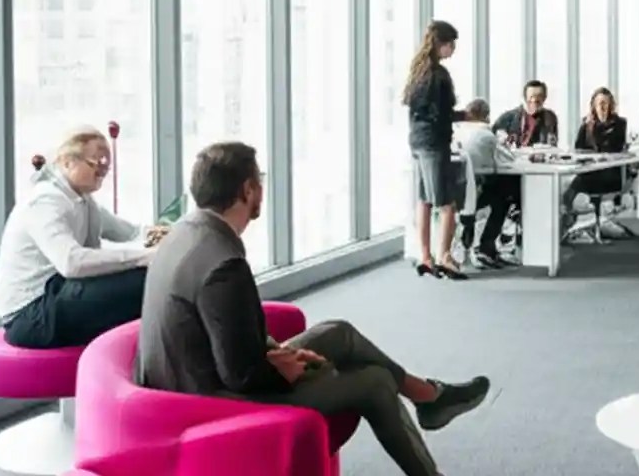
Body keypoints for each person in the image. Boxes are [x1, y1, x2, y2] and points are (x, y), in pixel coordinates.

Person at [136, 142, 490, 476]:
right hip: (211, 402)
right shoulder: (223, 264)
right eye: (259, 182)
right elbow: (239, 375)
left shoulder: (186, 232)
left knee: (339, 333)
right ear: (247, 190)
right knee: (375, 383)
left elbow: (222, 328)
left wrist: (274, 351)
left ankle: (427, 395)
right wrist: (280, 368)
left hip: (191, 378)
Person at [0, 126, 168, 349]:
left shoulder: (82, 200)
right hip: (30, 314)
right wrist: (145, 257)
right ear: (67, 162)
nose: (103, 170)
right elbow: (71, 262)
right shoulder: (46, 201)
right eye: (97, 162)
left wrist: (166, 236)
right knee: (148, 279)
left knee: (151, 276)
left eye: (107, 164)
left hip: (57, 293)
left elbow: (130, 232)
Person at [404, 20, 468, 280]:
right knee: (447, 203)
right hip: (434, 143)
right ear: (441, 44)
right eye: (451, 43)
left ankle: (426, 256)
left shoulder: (417, 70)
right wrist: (466, 115)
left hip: (417, 142)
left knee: (424, 200)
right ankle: (444, 256)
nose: (453, 48)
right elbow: (441, 115)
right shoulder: (438, 75)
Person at [455, 99, 519, 268]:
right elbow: (507, 159)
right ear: (486, 116)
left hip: (454, 192)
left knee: (501, 190)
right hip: (474, 192)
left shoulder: (457, 132)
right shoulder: (486, 135)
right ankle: (487, 246)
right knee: (505, 196)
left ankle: (480, 246)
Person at [563, 88, 630, 214]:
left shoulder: (620, 123)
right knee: (569, 187)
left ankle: (576, 214)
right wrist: (588, 127)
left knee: (577, 184)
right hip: (591, 169)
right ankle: (572, 215)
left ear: (611, 105)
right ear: (594, 105)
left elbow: (616, 147)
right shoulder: (587, 123)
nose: (603, 107)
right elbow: (578, 148)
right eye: (600, 103)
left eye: (606, 103)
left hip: (610, 171)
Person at [492, 80, 560, 148]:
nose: (534, 100)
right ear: (525, 97)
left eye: (539, 97)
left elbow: (552, 144)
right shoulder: (508, 117)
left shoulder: (550, 117)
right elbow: (492, 136)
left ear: (545, 98)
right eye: (531, 96)